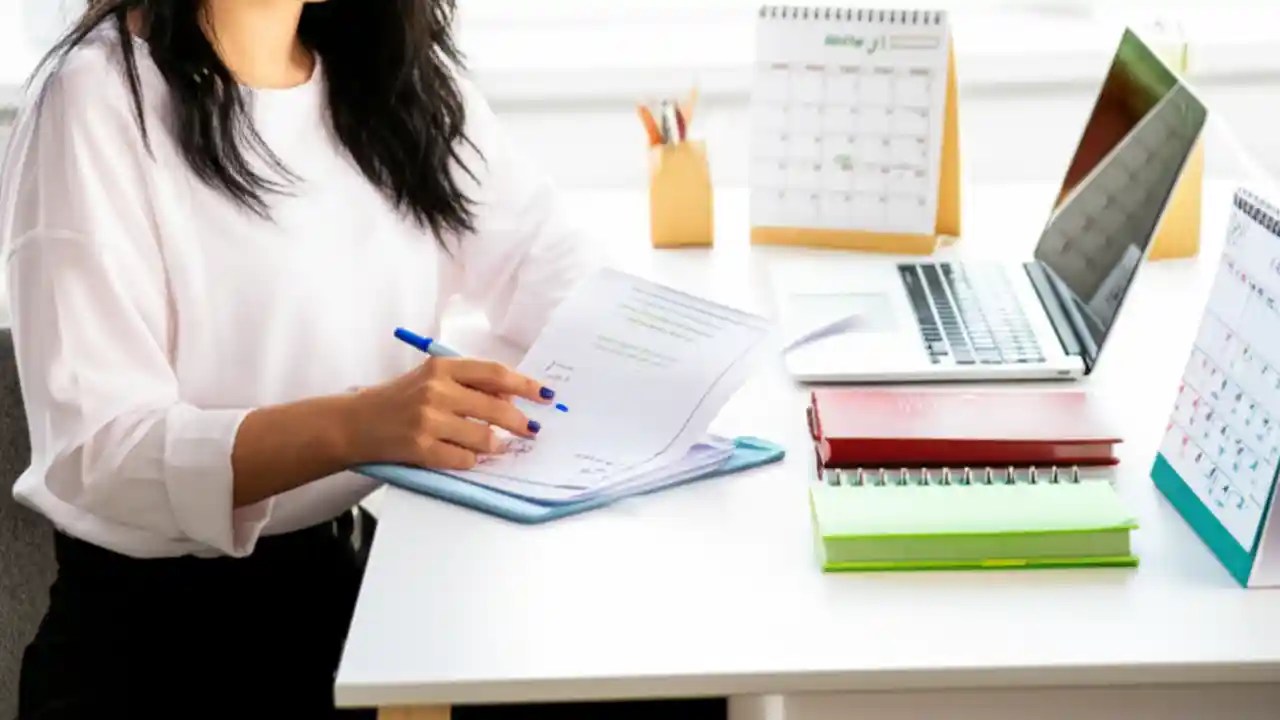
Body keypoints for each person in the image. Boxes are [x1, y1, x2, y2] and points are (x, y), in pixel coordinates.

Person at [0, 1, 722, 717]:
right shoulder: (93, 100)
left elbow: (547, 266)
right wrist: (362, 425)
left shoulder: (387, 73)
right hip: (155, 652)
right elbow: (97, 453)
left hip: (343, 599)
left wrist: (681, 368)